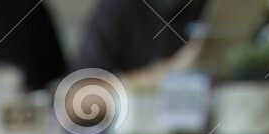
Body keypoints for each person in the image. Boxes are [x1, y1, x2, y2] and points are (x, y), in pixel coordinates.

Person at [75, 0, 209, 83]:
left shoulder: (209, 8)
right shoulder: (117, 7)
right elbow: (79, 95)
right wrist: (169, 72)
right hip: (131, 120)